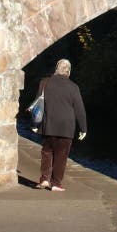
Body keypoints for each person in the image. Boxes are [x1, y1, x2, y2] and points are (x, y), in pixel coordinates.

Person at [36, 58, 87, 192]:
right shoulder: (74, 87)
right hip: (66, 127)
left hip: (48, 125)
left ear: (56, 70)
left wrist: (35, 123)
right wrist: (83, 129)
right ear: (68, 72)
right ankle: (56, 184)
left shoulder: (45, 82)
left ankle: (44, 179)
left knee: (47, 152)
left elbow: (38, 104)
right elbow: (79, 109)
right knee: (61, 155)